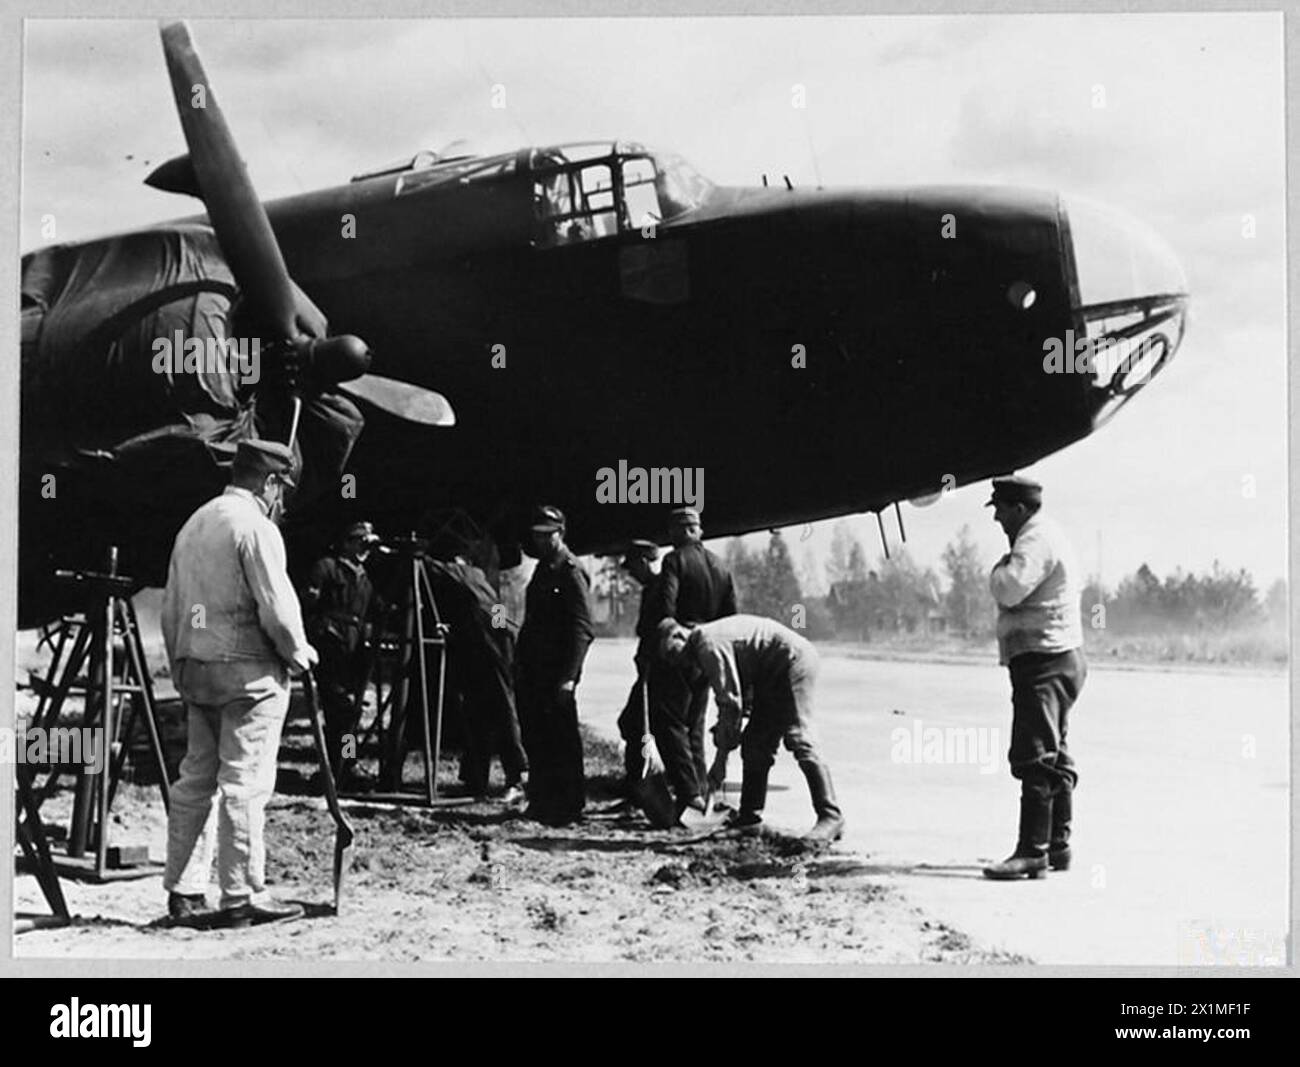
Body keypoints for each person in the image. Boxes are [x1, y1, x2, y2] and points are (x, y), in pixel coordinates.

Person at [159, 439, 317, 928]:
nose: (282, 500)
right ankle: (241, 895)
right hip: (247, 676)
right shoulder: (256, 528)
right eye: (281, 489)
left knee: (195, 781)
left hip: (195, 668)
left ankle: (183, 893)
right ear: (269, 482)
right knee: (245, 785)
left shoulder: (195, 522)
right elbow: (276, 607)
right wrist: (299, 655)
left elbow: (170, 608)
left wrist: (183, 661)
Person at [981, 475, 1086, 880]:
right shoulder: (1044, 533)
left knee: (1034, 756)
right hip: (1057, 658)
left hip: (1045, 661)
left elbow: (1008, 589)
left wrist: (997, 569)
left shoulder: (1034, 539)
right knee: (1054, 753)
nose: (998, 519)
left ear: (1020, 508)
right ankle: (1057, 846)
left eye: (1001, 509)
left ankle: (1032, 853)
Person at [661, 613, 844, 843]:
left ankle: (830, 815)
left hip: (792, 662)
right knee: (756, 743)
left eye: (671, 653)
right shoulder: (704, 644)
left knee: (799, 737)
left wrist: (720, 763)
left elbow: (731, 703)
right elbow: (739, 694)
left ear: (679, 634)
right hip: (770, 674)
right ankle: (750, 820)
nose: (676, 663)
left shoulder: (706, 643)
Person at [651, 507, 737, 824]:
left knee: (668, 722)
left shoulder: (674, 560)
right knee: (695, 726)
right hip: (710, 650)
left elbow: (666, 609)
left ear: (677, 532)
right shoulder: (721, 566)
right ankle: (701, 794)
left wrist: (664, 641)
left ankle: (689, 795)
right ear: (698, 530)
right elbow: (732, 618)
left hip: (681, 648)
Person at [425, 552, 529, 805]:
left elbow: (498, 622)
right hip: (481, 651)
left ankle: (518, 778)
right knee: (475, 715)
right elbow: (491, 616)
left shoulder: (468, 575)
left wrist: (416, 557)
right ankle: (475, 779)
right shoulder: (480, 585)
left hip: (493, 654)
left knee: (504, 714)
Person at [514, 506, 594, 826]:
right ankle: (542, 801)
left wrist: (570, 677)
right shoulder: (545, 567)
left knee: (561, 740)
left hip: (556, 671)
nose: (540, 539)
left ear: (560, 533)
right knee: (538, 737)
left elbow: (582, 629)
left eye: (547, 534)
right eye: (536, 534)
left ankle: (569, 806)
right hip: (536, 669)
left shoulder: (570, 570)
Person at [303, 520, 379, 786]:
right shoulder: (327, 568)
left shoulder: (364, 577)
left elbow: (370, 613)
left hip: (355, 650)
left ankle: (345, 764)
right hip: (331, 648)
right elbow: (309, 608)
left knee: (352, 712)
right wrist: (321, 634)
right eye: (360, 542)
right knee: (339, 712)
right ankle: (337, 766)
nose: (364, 549)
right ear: (346, 543)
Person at [613, 539, 662, 791]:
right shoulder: (652, 588)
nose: (630, 573)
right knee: (633, 724)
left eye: (632, 566)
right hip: (647, 668)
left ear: (643, 562)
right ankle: (636, 784)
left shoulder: (660, 588)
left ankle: (639, 785)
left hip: (656, 670)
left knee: (635, 724)